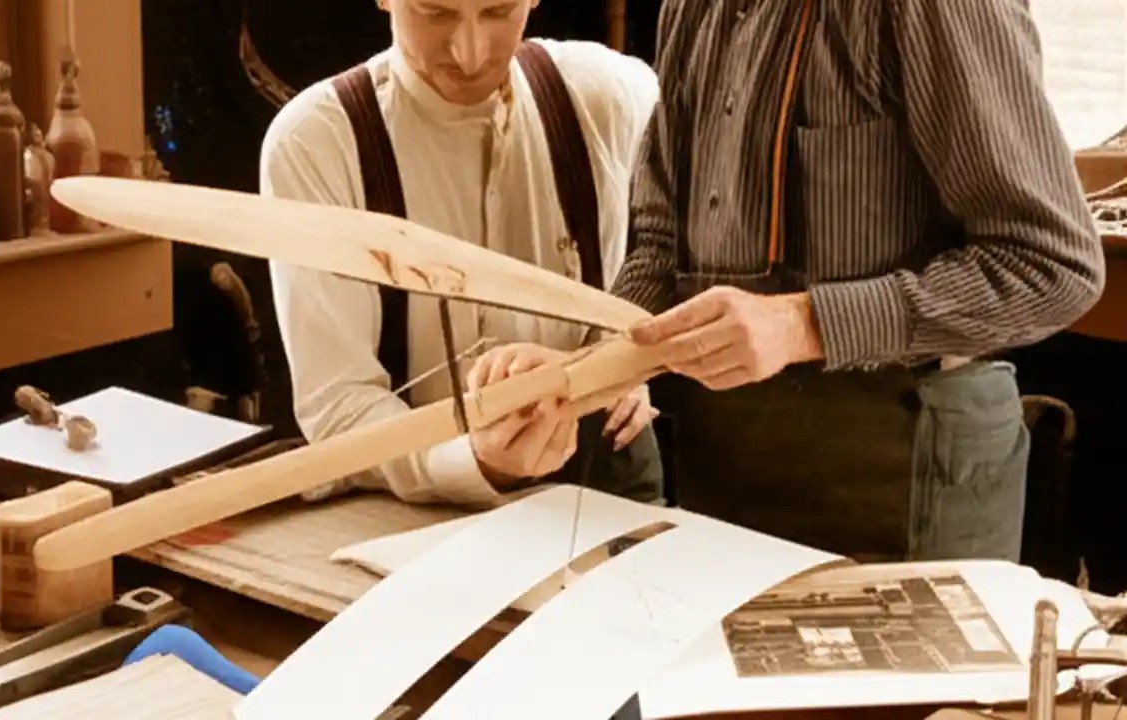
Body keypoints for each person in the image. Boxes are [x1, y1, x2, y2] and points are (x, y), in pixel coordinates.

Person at [478, 0, 1107, 562]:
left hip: (902, 480)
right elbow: (660, 245)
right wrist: (584, 372)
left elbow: (1053, 264)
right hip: (725, 476)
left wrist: (801, 323)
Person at [263, 0, 665, 507]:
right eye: (435, 13)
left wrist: (625, 357)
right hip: (413, 506)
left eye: (498, 12)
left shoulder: (612, 94)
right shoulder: (316, 144)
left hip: (609, 472)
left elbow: (682, 244)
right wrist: (470, 462)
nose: (470, 54)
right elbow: (337, 404)